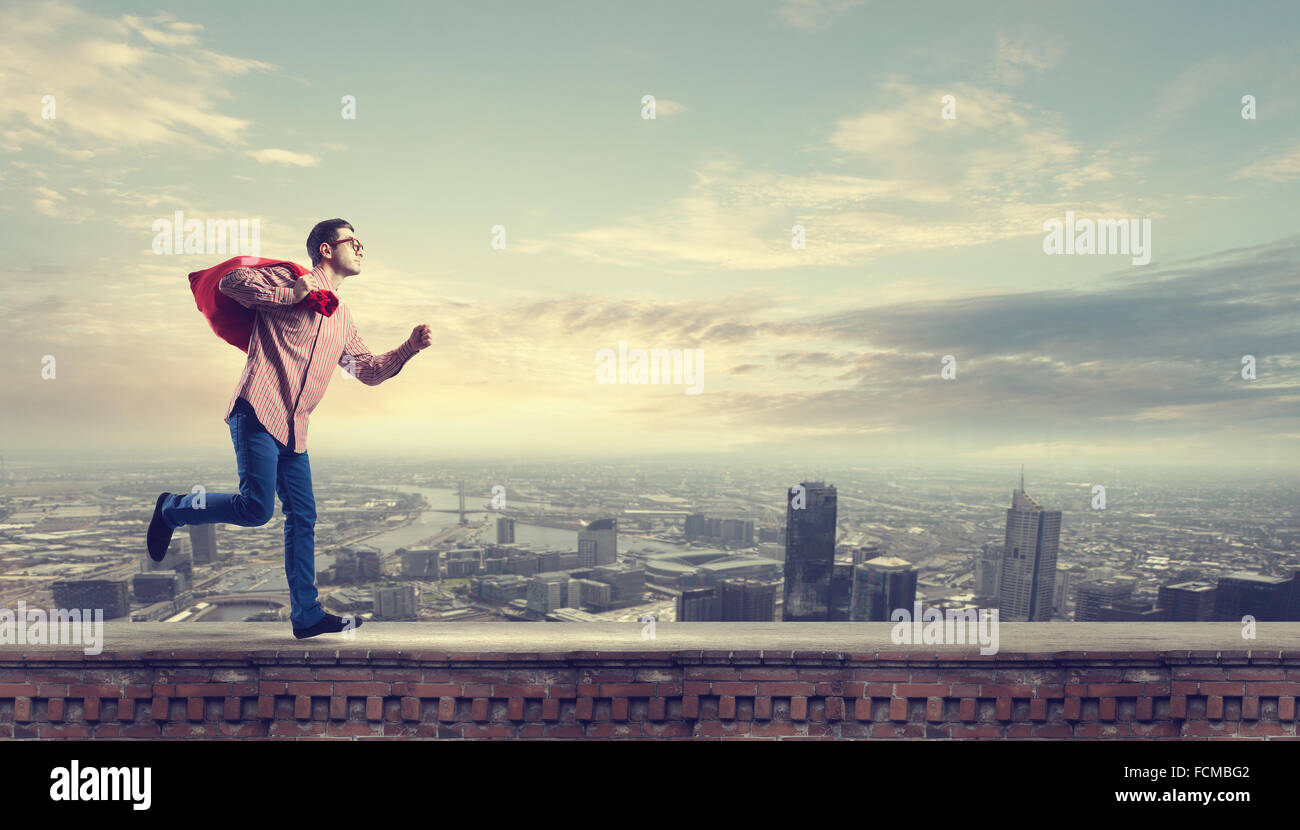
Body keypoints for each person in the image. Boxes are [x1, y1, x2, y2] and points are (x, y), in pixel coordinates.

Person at [146, 219, 432, 638]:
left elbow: (366, 371)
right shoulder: (288, 277)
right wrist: (289, 294)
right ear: (326, 250)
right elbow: (232, 284)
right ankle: (172, 508)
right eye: (354, 241)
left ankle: (306, 615)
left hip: (295, 429)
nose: (361, 248)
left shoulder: (342, 319)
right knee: (256, 509)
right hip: (257, 410)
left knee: (303, 517)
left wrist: (408, 347)